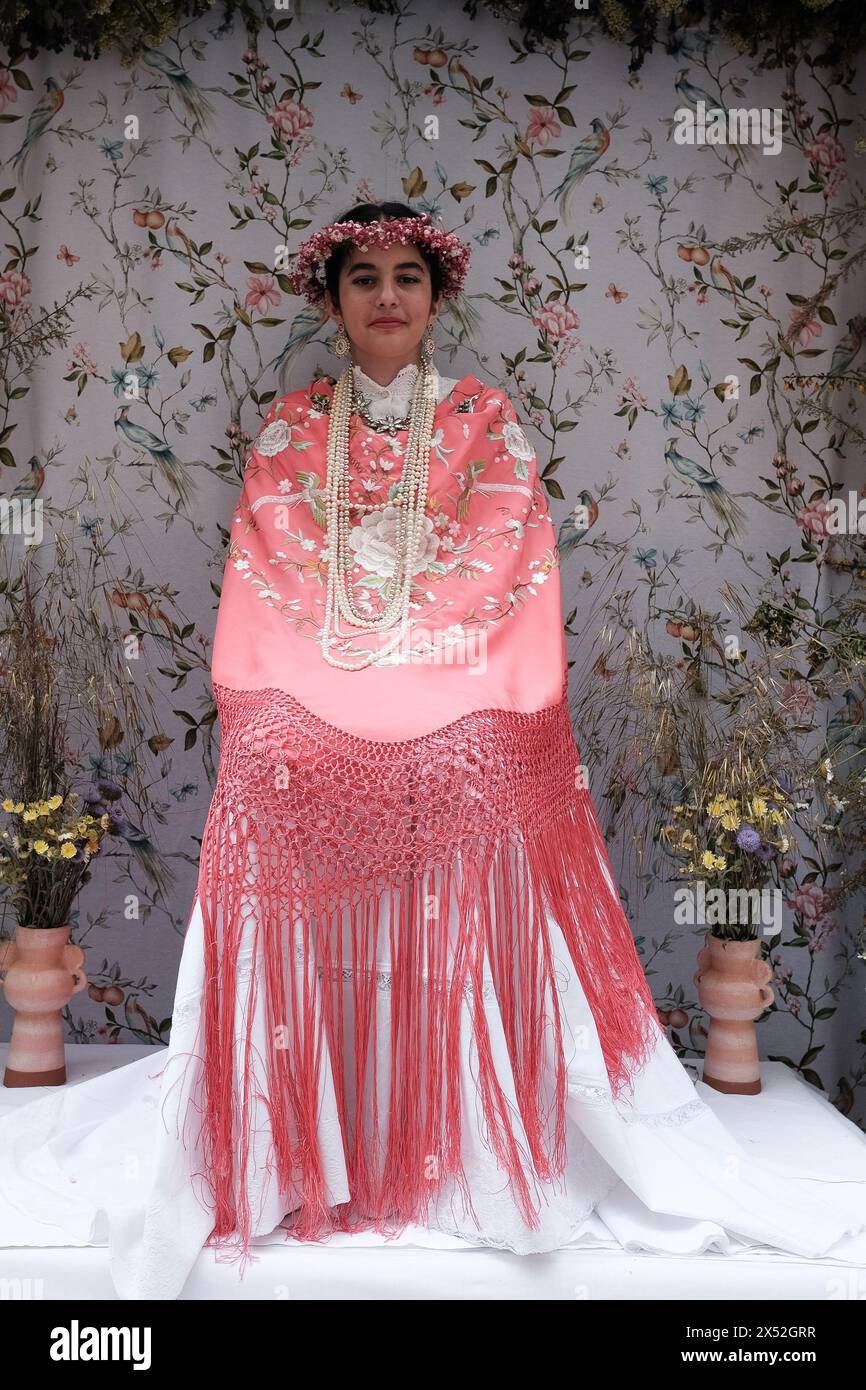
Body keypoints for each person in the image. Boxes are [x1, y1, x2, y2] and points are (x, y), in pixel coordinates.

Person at [0, 203, 865, 1301]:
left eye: (407, 276)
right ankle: (298, 1147)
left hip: (458, 670)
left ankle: (471, 1153)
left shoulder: (482, 420)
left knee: (480, 758)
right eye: (362, 278)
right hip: (317, 670)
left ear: (437, 296)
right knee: (275, 747)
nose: (387, 297)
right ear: (332, 302)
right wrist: (344, 670)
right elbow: (271, 574)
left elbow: (503, 559)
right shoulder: (290, 426)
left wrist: (417, 660)